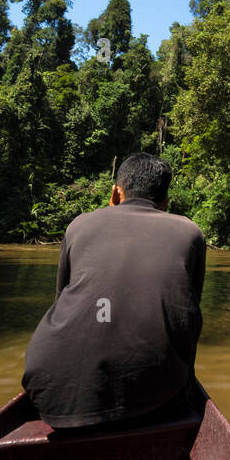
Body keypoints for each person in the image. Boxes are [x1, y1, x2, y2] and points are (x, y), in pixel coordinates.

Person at [21, 153, 207, 430]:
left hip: (49, 389)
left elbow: (60, 300)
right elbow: (187, 318)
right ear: (165, 202)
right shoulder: (190, 232)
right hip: (154, 398)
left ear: (115, 193)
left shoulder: (79, 225)